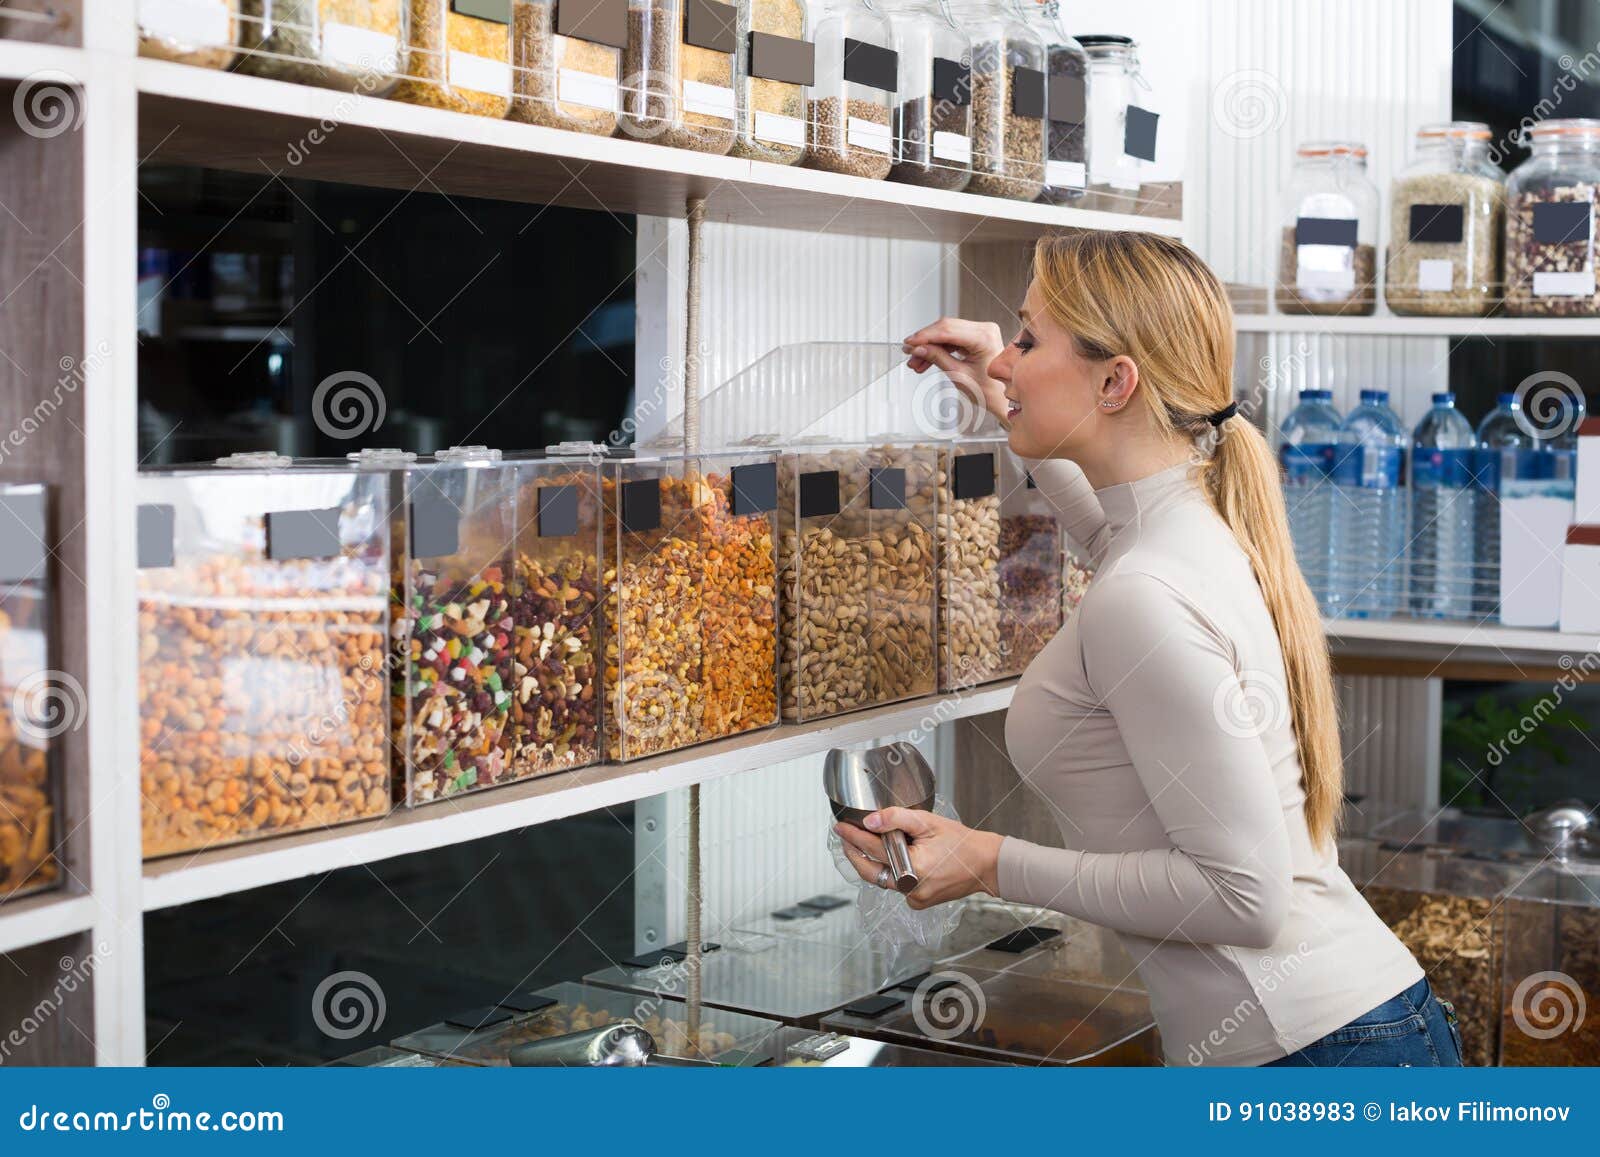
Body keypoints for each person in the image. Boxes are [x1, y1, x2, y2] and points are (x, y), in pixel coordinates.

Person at [834, 231, 1462, 1067]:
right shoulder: (1177, 534)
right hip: (1336, 1034)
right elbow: (1110, 545)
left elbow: (1245, 900)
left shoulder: (1148, 590)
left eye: (1027, 341)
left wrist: (986, 861)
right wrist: (1005, 394)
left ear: (1115, 380)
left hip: (1316, 1055)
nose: (1006, 363)